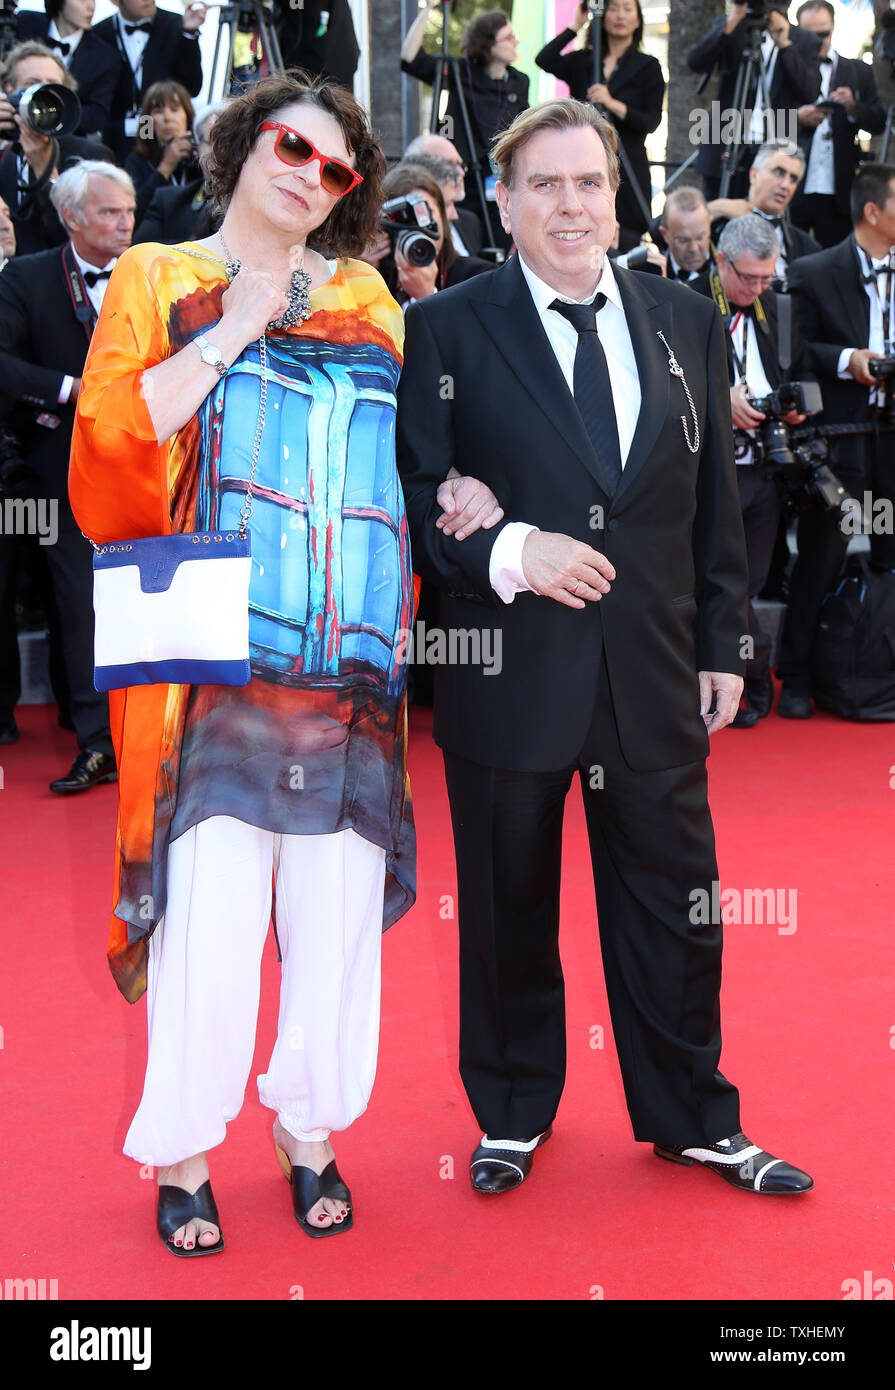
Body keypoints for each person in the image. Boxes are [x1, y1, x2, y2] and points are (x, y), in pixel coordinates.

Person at [68, 72, 500, 1254]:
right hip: (216, 666)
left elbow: (412, 453)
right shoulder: (161, 276)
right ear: (238, 147)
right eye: (288, 146)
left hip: (352, 667)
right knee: (206, 923)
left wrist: (463, 490)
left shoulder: (371, 297)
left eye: (334, 166)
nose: (306, 173)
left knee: (334, 923)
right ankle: (184, 1148)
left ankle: (309, 1130)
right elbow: (112, 450)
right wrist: (243, 319)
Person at [396, 98, 813, 1199]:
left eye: (588, 182)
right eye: (544, 184)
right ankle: (513, 1111)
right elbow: (412, 491)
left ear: (615, 190)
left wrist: (726, 638)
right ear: (503, 197)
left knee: (678, 902)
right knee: (503, 904)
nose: (570, 205)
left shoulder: (683, 317)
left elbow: (711, 499)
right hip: (508, 667)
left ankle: (692, 1115)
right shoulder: (447, 326)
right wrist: (508, 550)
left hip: (653, 671)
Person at [0, 160, 134, 790]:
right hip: (62, 470)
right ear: (72, 218)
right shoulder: (27, 279)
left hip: (148, 463)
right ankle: (98, 741)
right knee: (79, 606)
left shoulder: (153, 271)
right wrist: (67, 390)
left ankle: (160, 737)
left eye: (130, 210)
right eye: (111, 212)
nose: (125, 223)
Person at [781, 163, 895, 718]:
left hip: (892, 443)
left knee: (892, 556)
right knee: (823, 556)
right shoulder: (815, 271)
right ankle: (797, 675)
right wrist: (850, 361)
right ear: (873, 211)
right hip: (842, 442)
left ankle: (883, 669)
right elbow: (795, 354)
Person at [710, 214, 812, 727]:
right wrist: (717, 399)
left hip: (765, 472)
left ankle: (745, 681)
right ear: (721, 261)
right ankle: (747, 679)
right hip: (709, 475)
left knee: (749, 586)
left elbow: (798, 372)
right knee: (721, 586)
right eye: (747, 278)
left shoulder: (779, 308)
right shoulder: (689, 303)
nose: (756, 288)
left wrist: (794, 407)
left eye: (766, 278)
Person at [535, 0, 664, 251]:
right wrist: (575, 26)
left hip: (628, 161)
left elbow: (651, 122)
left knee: (627, 238)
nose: (620, 16)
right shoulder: (585, 61)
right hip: (580, 158)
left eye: (628, 9)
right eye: (614, 8)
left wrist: (612, 103)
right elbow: (545, 59)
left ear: (638, 20)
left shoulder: (648, 66)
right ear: (603, 16)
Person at [401, 3, 528, 233]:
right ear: (489, 44)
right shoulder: (458, 72)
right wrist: (427, 9)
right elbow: (410, 59)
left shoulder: (519, 82)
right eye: (508, 37)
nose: (515, 41)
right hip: (463, 179)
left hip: (500, 180)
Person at [687, 3, 820, 202]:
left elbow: (809, 92)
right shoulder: (731, 26)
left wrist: (785, 46)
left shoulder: (803, 40)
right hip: (725, 141)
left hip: (776, 145)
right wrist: (733, 20)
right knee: (717, 214)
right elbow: (696, 62)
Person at [0, 41, 113, 256]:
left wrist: (48, 176)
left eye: (52, 85)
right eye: (31, 84)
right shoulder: (4, 156)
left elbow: (92, 240)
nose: (42, 93)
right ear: (9, 90)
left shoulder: (91, 157)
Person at [792, 0, 885, 250]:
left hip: (839, 187)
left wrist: (854, 107)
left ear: (834, 29)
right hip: (795, 183)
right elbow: (765, 119)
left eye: (823, 34)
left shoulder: (857, 71)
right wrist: (796, 119)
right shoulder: (786, 68)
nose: (817, 42)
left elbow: (879, 121)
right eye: (808, 36)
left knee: (837, 259)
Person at [93, 0, 205, 163]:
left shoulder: (176, 24)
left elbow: (192, 88)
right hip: (115, 146)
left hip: (168, 145)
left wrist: (188, 34)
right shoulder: (99, 32)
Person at [708, 139, 821, 285]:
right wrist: (715, 209)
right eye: (779, 172)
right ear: (754, 175)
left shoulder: (808, 248)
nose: (786, 185)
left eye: (793, 179)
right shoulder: (717, 223)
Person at [380, 163, 493, 305]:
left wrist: (427, 295)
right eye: (403, 219)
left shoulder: (476, 277)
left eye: (423, 214)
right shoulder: (376, 274)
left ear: (442, 216)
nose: (416, 228)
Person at [16, 0, 123, 139]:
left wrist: (51, 109)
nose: (91, 7)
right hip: (16, 133)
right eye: (83, 0)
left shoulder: (106, 57)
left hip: (67, 145)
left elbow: (97, 117)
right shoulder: (26, 23)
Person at [134, 100, 225, 244]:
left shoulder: (258, 208)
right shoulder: (169, 203)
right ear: (198, 148)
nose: (224, 152)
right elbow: (141, 252)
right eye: (215, 142)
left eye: (232, 143)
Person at [125, 79, 199, 223]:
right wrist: (166, 167)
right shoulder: (136, 161)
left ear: (188, 117)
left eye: (175, 109)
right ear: (147, 121)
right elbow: (133, 216)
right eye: (158, 111)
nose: (167, 118)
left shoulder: (200, 159)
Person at [404, 130, 484, 256]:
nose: (461, 173)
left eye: (461, 165)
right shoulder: (404, 223)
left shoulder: (470, 222)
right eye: (450, 165)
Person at [658, 186, 713, 291]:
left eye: (700, 238)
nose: (693, 249)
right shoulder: (651, 275)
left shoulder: (732, 269)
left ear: (710, 225)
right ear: (665, 234)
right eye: (683, 240)